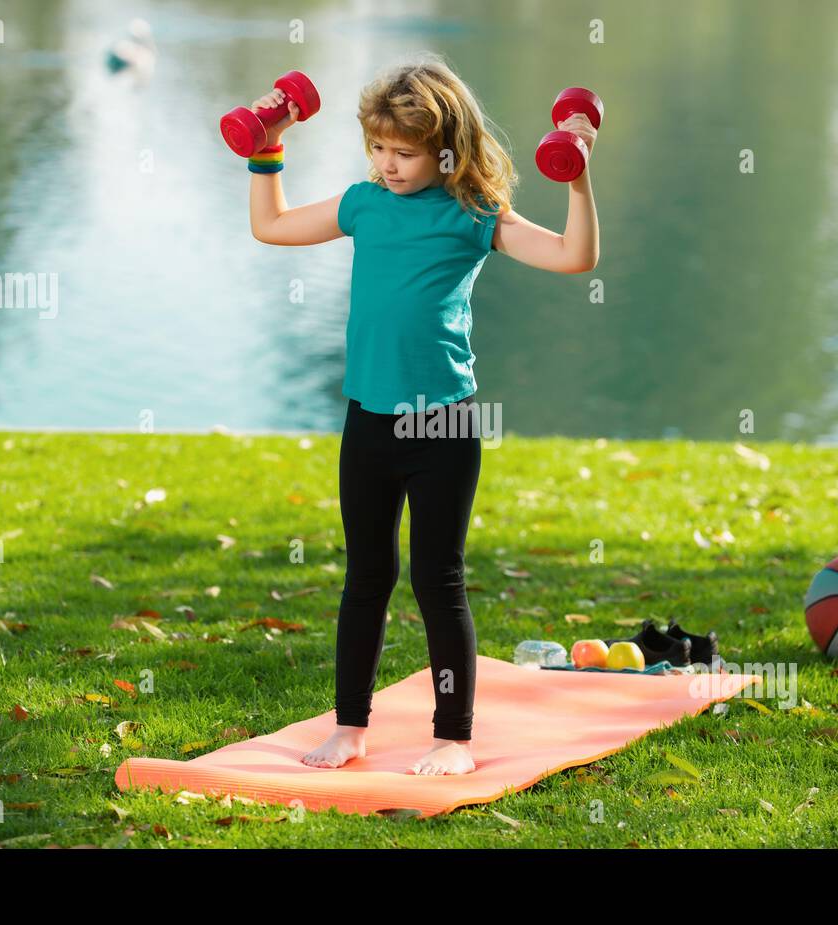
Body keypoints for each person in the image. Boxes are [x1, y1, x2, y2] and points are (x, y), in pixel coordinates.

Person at [246, 53, 599, 775]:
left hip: (442, 423)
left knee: (438, 579)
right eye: (377, 147)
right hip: (370, 419)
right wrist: (265, 150)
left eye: (403, 153)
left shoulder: (475, 215)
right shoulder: (362, 203)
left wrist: (579, 174)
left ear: (446, 149)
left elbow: (573, 257)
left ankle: (454, 738)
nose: (388, 164)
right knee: (365, 575)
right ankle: (349, 727)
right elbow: (272, 228)